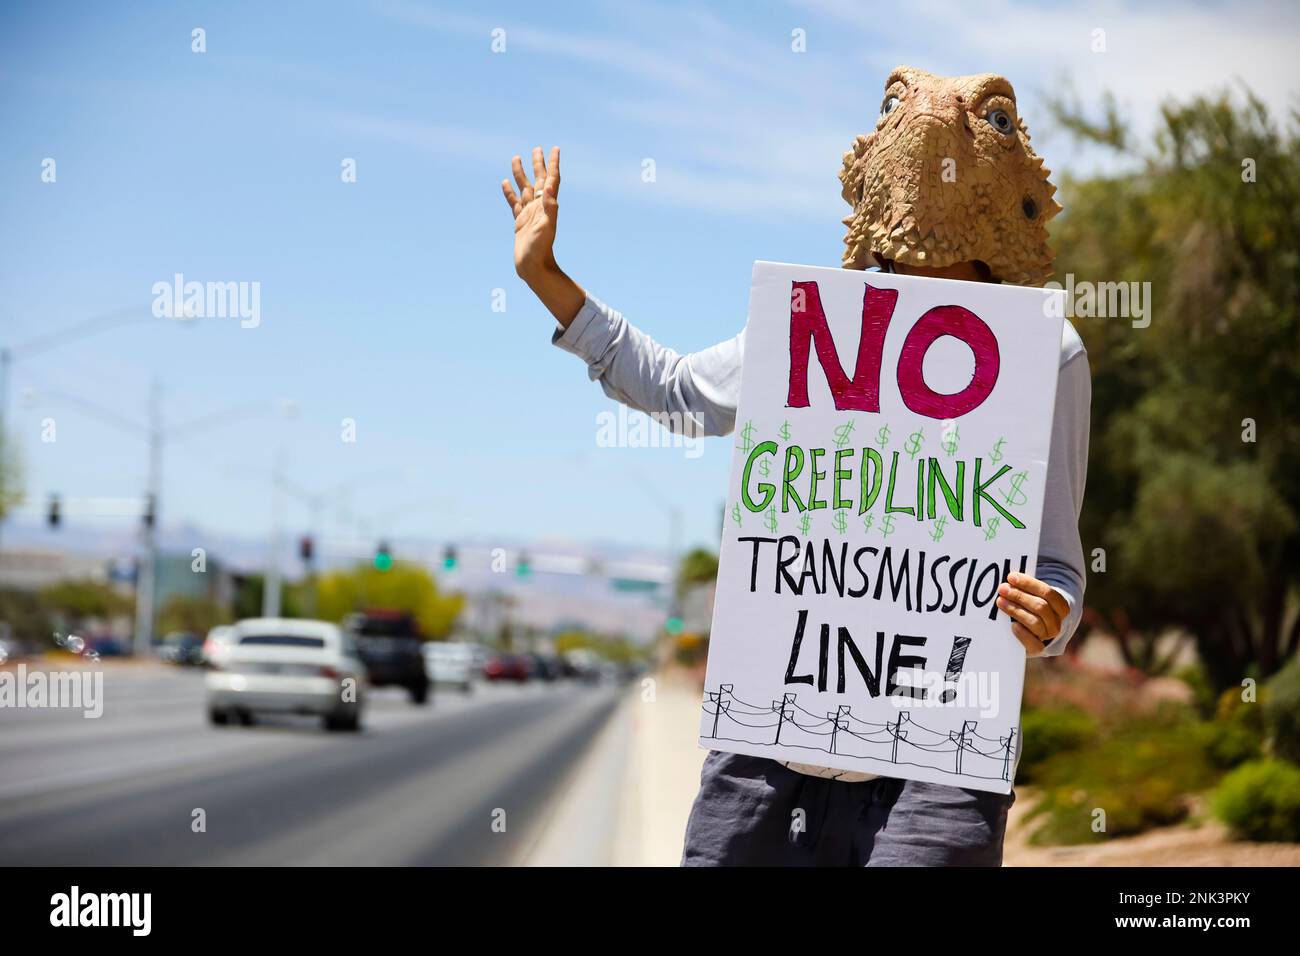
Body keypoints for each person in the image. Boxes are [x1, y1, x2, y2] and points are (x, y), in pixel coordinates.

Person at [500, 65, 1090, 867]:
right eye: (893, 102)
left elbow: (1056, 568)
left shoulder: (1044, 351)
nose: (929, 116)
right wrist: (546, 279)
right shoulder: (812, 324)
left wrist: (1048, 614)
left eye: (988, 115)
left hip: (939, 774)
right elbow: (675, 389)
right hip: (767, 753)